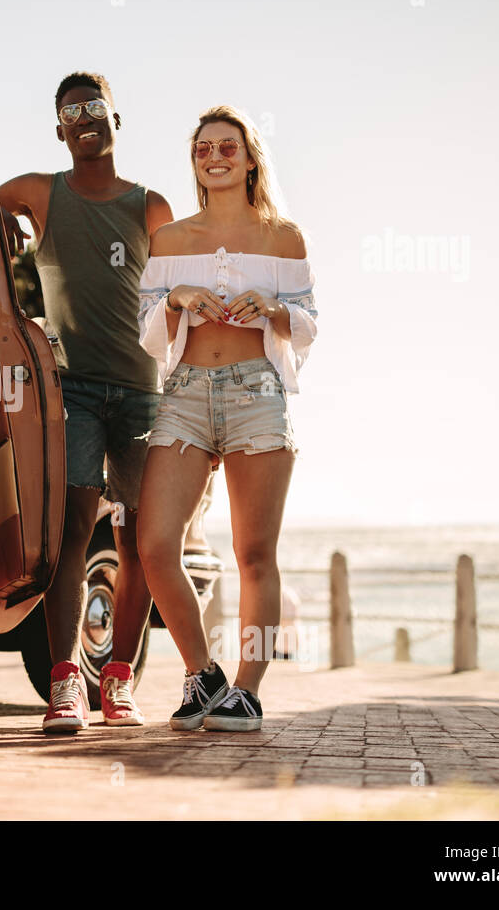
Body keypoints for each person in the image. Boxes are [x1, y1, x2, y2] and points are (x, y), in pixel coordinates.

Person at [0, 72, 173, 732]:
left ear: (115, 119)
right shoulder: (41, 192)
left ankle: (119, 682)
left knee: (144, 542)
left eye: (94, 107)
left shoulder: (151, 206)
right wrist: (7, 225)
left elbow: (180, 295)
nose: (84, 118)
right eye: (71, 112)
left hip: (144, 395)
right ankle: (65, 683)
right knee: (71, 529)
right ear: (60, 130)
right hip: (72, 392)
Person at [137, 105, 317, 732]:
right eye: (203, 148)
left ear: (249, 159)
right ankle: (200, 673)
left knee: (254, 554)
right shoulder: (169, 239)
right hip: (184, 393)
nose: (214, 156)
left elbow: (309, 325)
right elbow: (149, 332)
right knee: (155, 544)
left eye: (227, 147)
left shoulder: (283, 237)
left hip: (256, 394)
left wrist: (272, 307)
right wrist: (177, 300)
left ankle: (247, 689)